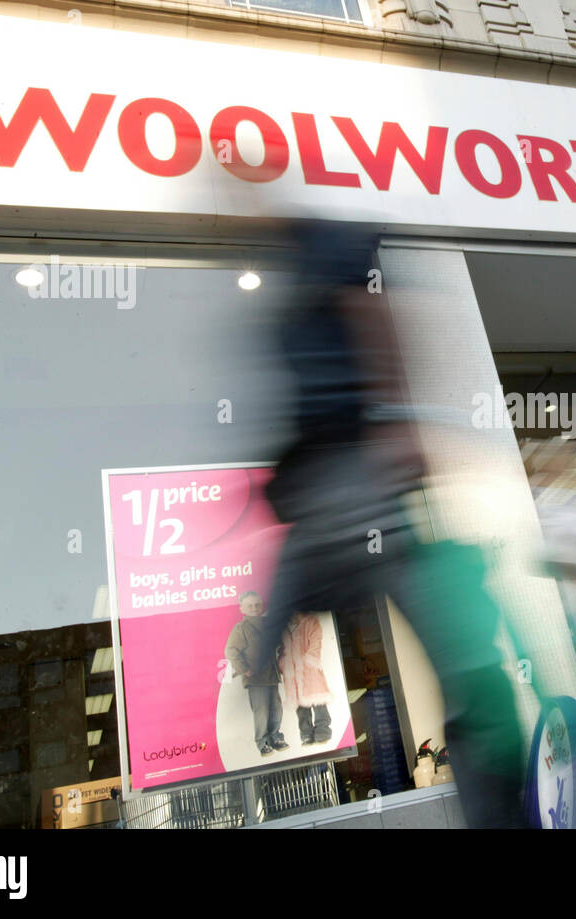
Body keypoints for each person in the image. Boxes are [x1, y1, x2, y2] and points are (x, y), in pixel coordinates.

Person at [252, 220, 525, 828]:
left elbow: (366, 316)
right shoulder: (332, 544)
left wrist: (399, 421)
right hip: (348, 476)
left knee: (470, 674)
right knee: (469, 674)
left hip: (349, 477)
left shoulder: (330, 538)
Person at [224, 591, 288, 756]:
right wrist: (244, 669)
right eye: (250, 605)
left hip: (272, 674)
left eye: (257, 604)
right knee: (261, 712)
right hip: (256, 678)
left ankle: (276, 737)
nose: (254, 608)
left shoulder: (269, 624)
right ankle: (262, 743)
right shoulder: (241, 628)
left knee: (276, 709)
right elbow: (231, 650)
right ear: (242, 609)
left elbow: (281, 643)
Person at [281, 611, 333, 746]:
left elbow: (316, 640)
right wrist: (283, 663)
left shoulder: (310, 622)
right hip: (291, 672)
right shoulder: (283, 628)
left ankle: (323, 731)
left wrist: (310, 659)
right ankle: (306, 734)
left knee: (317, 699)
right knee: (300, 705)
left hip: (308, 669)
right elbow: (281, 649)